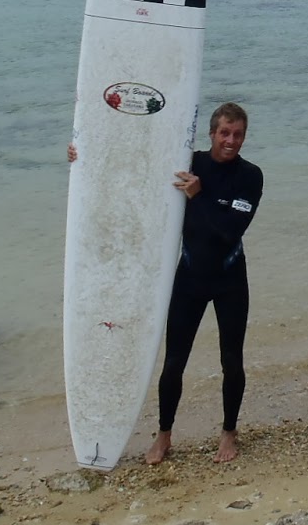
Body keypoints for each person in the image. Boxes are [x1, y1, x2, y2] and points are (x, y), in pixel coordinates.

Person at [67, 100, 263, 464]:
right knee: (174, 362)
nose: (231, 140)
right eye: (224, 133)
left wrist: (198, 196)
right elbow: (134, 164)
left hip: (230, 277)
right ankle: (164, 436)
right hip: (190, 277)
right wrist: (85, 155)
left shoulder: (250, 177)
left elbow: (228, 232)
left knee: (232, 361)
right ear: (212, 133)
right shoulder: (190, 163)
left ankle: (229, 434)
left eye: (237, 134)